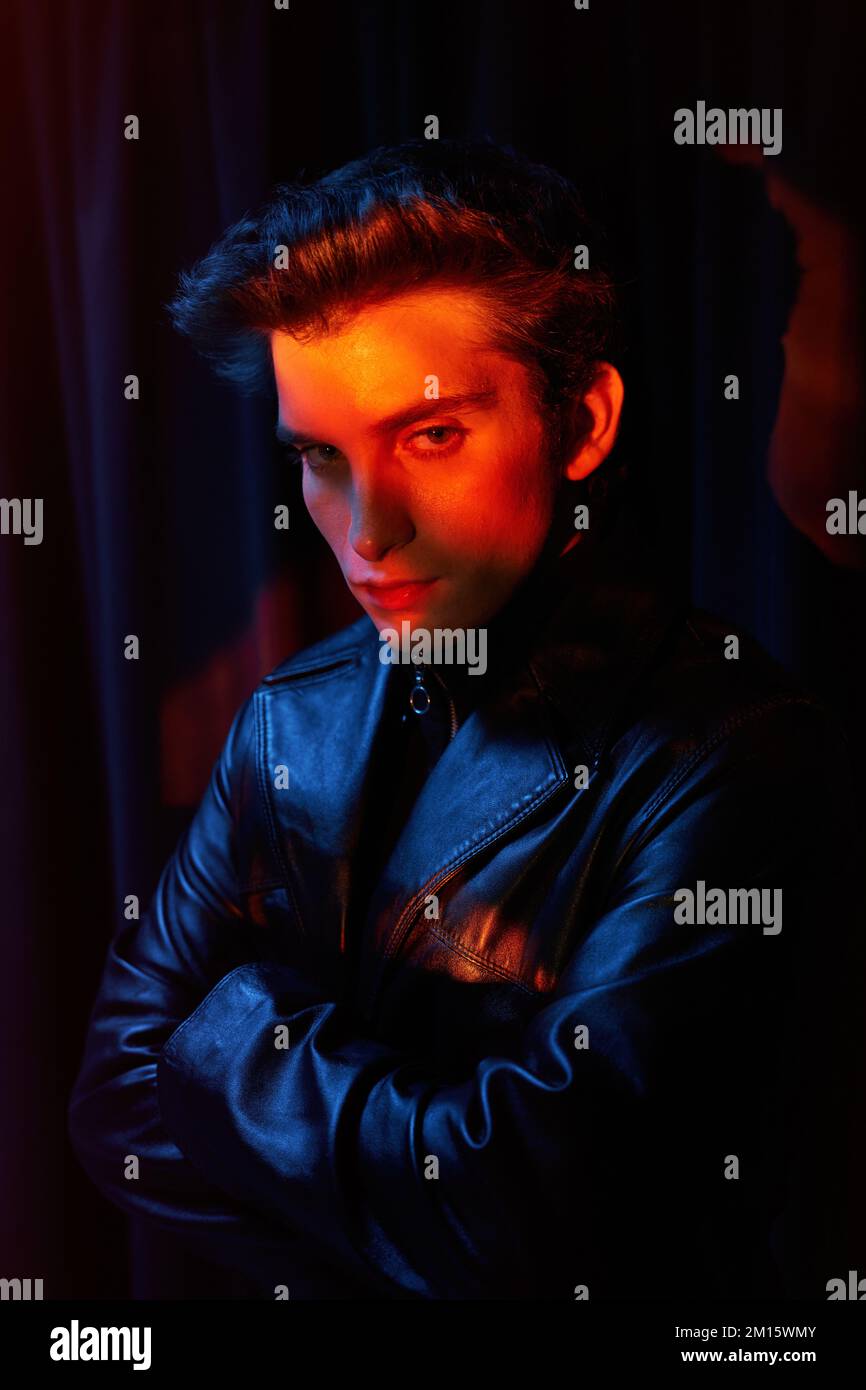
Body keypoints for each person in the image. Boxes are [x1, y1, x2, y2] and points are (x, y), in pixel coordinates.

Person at [68, 138, 854, 1300]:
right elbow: (117, 1104)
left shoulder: (730, 755)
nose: (366, 531)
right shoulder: (289, 724)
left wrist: (237, 1035)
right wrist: (422, 1227)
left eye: (429, 435)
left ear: (579, 423)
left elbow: (537, 1222)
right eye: (321, 458)